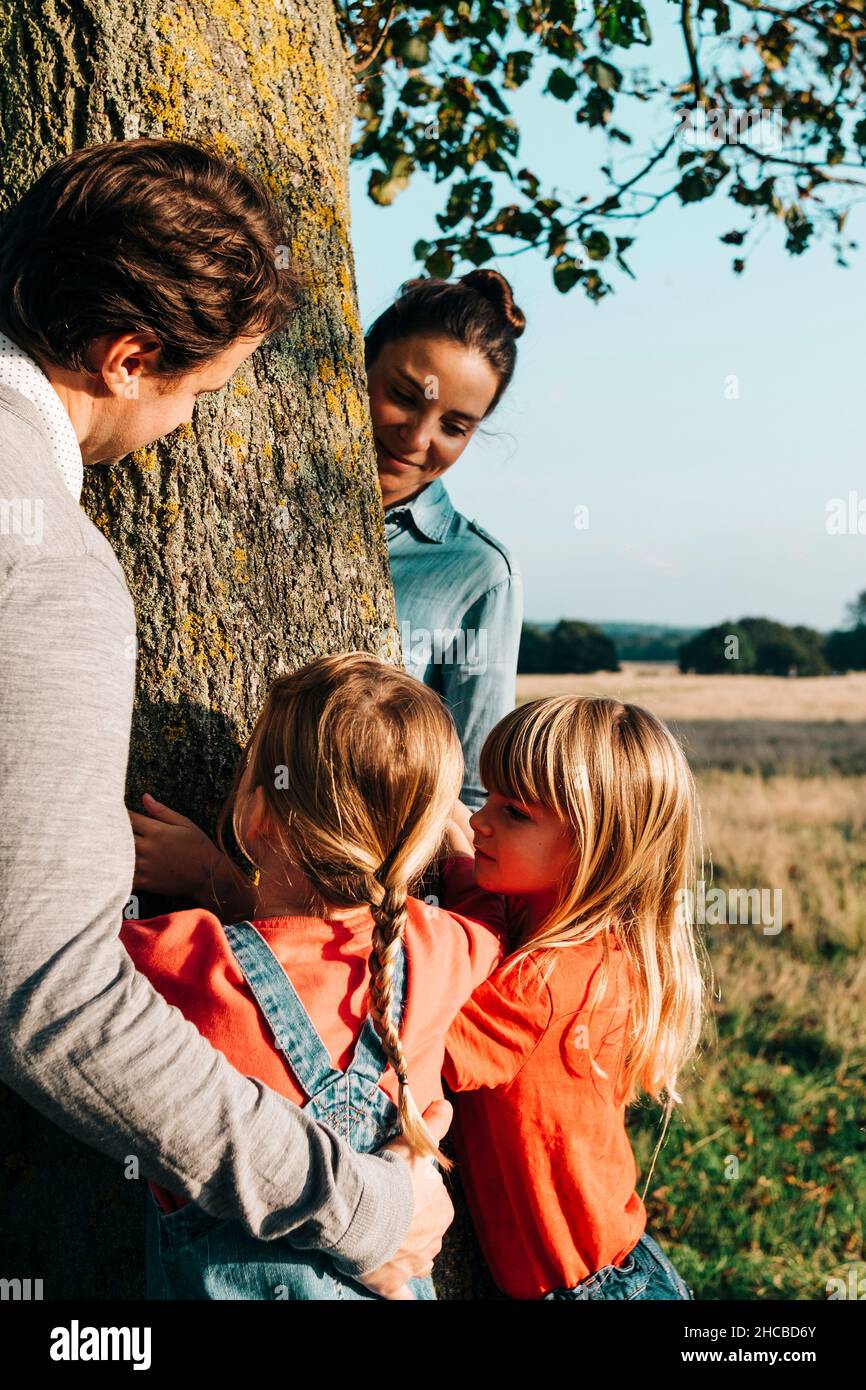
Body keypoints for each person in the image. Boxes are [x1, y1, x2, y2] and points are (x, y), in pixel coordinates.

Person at [0, 136, 452, 1298]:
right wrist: (358, 1202)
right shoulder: (47, 569)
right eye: (198, 392)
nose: (190, 425)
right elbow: (50, 996)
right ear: (128, 355)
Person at [120, 651, 508, 1299]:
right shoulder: (442, 947)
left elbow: (52, 963)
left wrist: (211, 878)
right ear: (419, 842)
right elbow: (491, 918)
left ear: (257, 812)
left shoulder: (180, 963)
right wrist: (449, 839)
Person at [437, 695, 712, 1300]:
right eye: (486, 799)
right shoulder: (565, 926)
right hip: (611, 1270)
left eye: (515, 813)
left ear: (593, 848)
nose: (482, 822)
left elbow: (415, 1032)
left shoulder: (547, 981)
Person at [364, 271, 525, 811]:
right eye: (404, 397)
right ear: (357, 363)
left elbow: (472, 793)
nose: (416, 439)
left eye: (454, 427)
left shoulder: (481, 574)